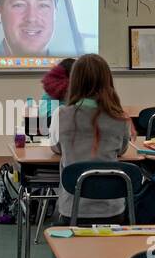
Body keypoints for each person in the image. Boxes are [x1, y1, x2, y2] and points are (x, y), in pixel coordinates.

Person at [50, 54, 134, 222]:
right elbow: (122, 149)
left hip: (72, 208)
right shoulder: (120, 118)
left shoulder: (61, 115)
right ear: (107, 80)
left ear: (74, 82)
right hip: (112, 209)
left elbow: (56, 147)